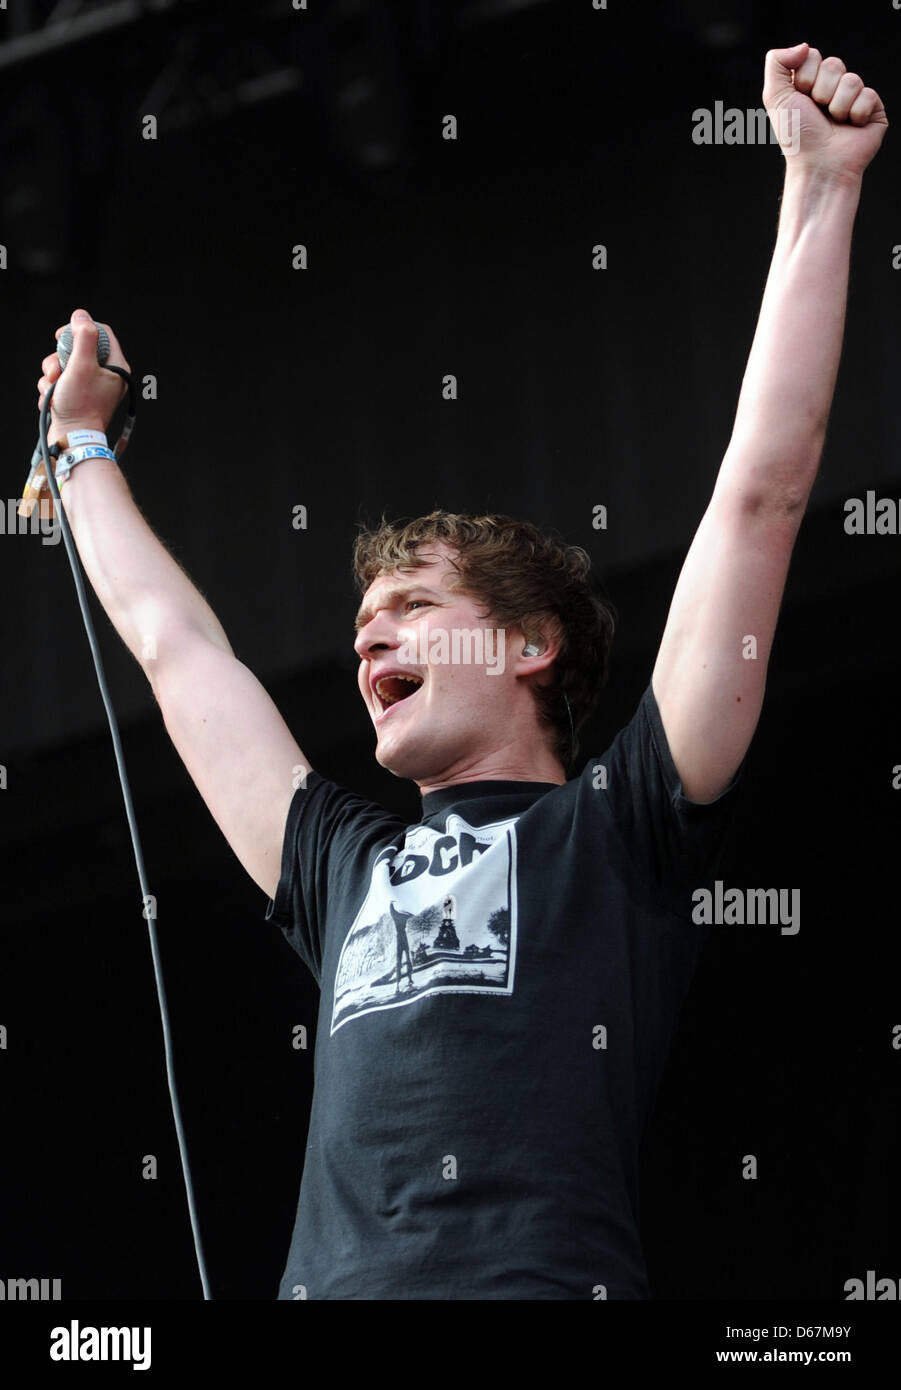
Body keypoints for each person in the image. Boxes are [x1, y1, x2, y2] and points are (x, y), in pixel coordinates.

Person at [34, 43, 887, 1299]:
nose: (369, 638)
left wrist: (818, 187)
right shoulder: (340, 864)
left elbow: (759, 496)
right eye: (366, 619)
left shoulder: (622, 823)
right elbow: (177, 650)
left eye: (414, 608)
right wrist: (79, 448)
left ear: (528, 645)